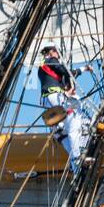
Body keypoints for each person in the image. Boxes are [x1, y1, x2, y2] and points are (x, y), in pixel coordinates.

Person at [36, 43, 86, 171]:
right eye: (57, 53)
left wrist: (67, 90)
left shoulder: (43, 66)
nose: (59, 56)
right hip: (55, 97)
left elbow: (62, 77)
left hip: (48, 101)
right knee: (76, 116)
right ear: (52, 51)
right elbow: (66, 72)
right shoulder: (51, 60)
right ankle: (78, 155)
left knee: (61, 133)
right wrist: (83, 69)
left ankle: (76, 167)